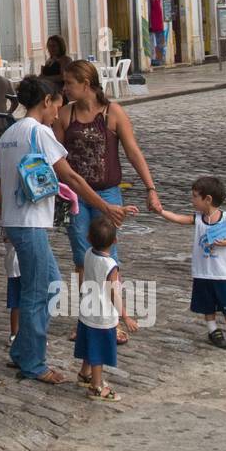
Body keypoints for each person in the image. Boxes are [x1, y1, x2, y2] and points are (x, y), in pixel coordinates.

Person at [0, 75, 136, 386]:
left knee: (50, 285)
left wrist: (8, 213)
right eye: (57, 103)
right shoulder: (39, 133)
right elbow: (72, 177)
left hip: (18, 223)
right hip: (29, 225)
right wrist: (105, 206)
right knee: (38, 292)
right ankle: (33, 362)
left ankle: (22, 349)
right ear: (46, 101)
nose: (59, 110)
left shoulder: (11, 132)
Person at [56, 59, 162, 344]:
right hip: (75, 196)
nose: (64, 88)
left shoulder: (112, 113)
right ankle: (88, 320)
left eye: (69, 83)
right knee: (82, 259)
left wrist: (150, 188)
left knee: (107, 258)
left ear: (86, 85)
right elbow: (55, 159)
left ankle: (113, 320)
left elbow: (132, 151)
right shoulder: (65, 116)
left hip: (108, 194)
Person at [155, 175, 226, 352]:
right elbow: (178, 219)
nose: (192, 200)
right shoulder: (198, 218)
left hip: (222, 271)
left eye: (195, 196)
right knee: (207, 303)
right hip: (204, 271)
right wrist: (161, 211)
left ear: (208, 199)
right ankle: (213, 330)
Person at [74, 217, 137, 401]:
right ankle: (97, 385)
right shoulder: (111, 265)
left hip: (87, 308)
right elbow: (113, 293)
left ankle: (85, 373)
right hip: (102, 314)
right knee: (99, 350)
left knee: (89, 344)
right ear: (115, 241)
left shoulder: (87, 253)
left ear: (88, 237)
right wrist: (125, 316)